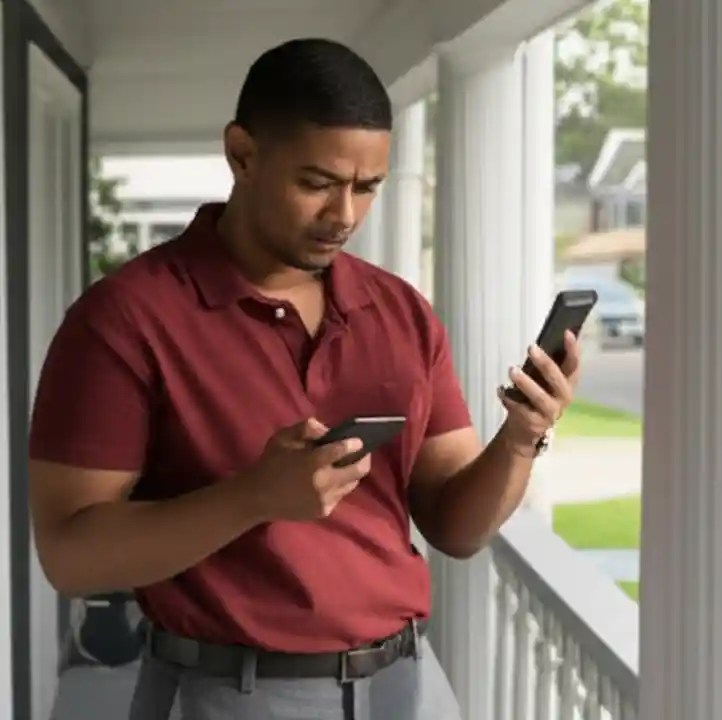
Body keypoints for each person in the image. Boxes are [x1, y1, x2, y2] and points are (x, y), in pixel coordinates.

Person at [27, 37, 580, 720]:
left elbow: (457, 529)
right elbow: (71, 559)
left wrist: (522, 437)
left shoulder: (401, 312)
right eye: (316, 183)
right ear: (242, 154)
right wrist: (252, 497)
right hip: (230, 693)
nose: (344, 214)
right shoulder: (123, 319)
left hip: (406, 681)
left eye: (368, 187)